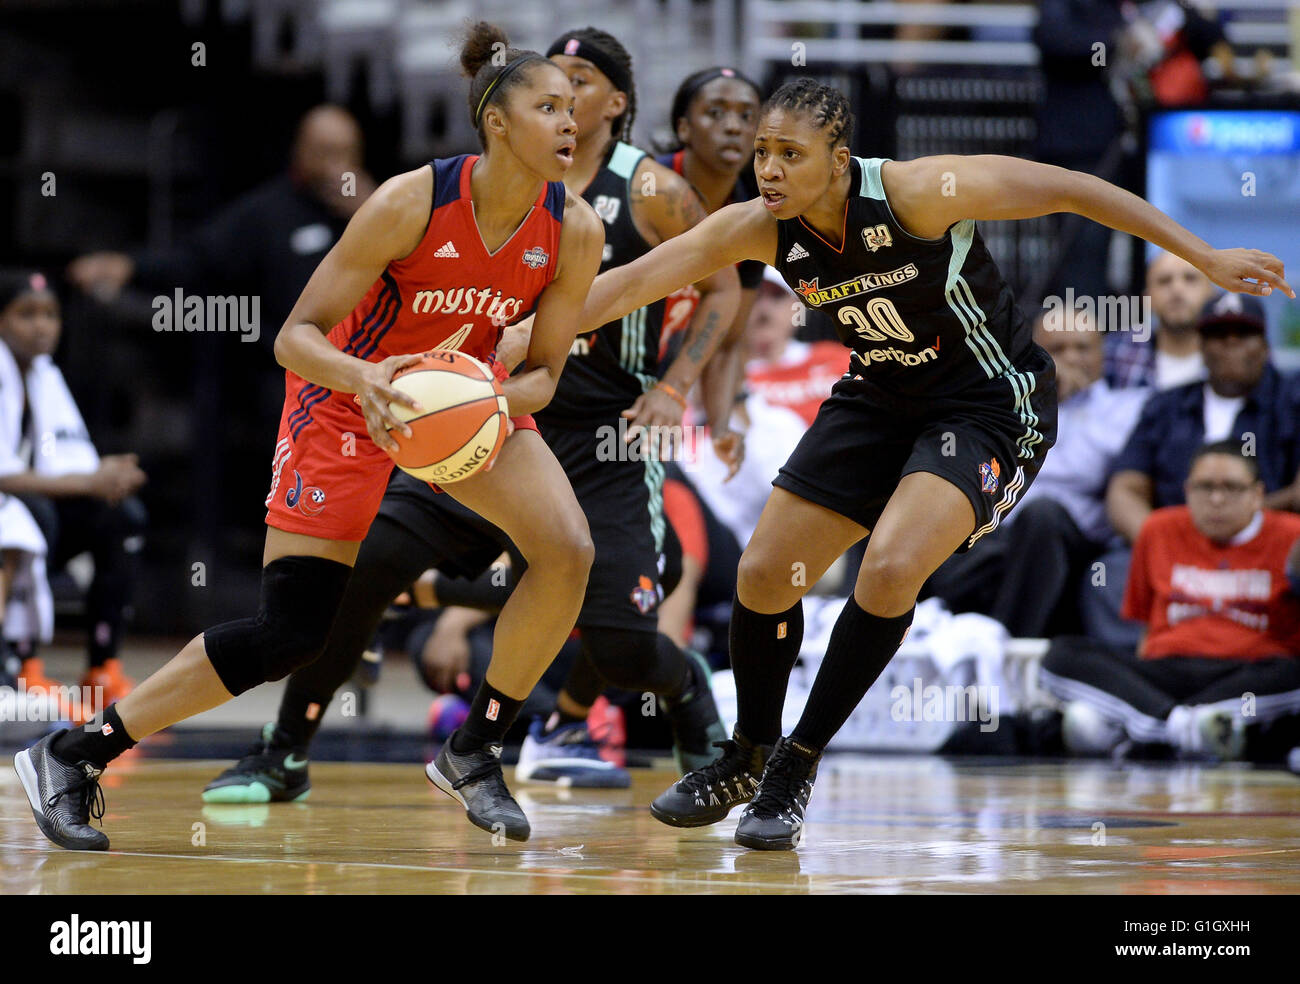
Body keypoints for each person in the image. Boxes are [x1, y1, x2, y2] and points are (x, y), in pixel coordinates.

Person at [570, 77, 1291, 850]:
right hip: (880, 396)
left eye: (790, 154)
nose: (768, 170)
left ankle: (795, 763)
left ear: (839, 161)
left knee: (889, 567)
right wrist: (519, 335)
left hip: (988, 405)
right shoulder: (759, 225)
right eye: (763, 153)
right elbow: (633, 280)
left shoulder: (918, 193)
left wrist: (1203, 254)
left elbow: (1073, 189)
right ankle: (746, 753)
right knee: (764, 572)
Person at [14, 21, 605, 851]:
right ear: (498, 123)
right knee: (289, 634)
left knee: (569, 550)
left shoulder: (575, 229)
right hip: (345, 402)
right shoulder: (410, 201)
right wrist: (369, 380)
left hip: (460, 406)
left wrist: (487, 398)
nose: (571, 122)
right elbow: (296, 337)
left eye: (574, 108)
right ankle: (74, 754)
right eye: (549, 107)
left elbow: (544, 374)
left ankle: (475, 750)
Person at [199, 26, 742, 801]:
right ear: (504, 115)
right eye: (551, 92)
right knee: (361, 571)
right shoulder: (471, 190)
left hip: (597, 431)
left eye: (579, 86)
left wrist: (679, 385)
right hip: (478, 418)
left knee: (617, 636)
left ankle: (676, 693)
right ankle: (284, 748)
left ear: (615, 103)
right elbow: (312, 328)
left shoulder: (647, 192)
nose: (566, 103)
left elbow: (720, 280)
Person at [1041, 442, 1300, 761]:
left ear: (1257, 494)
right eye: (1205, 487)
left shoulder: (1292, 536)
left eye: (1231, 488)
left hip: (1245, 673)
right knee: (1062, 653)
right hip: (1164, 671)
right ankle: (1183, 726)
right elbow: (1146, 627)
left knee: (1293, 673)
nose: (1217, 500)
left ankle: (1138, 726)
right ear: (1187, 491)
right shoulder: (1158, 529)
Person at [923, 301, 1146, 636]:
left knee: (1041, 516)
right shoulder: (1009, 407)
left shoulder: (1127, 409)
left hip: (1073, 544)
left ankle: (1007, 645)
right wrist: (1040, 397)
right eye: (1057, 349)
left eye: (1082, 348)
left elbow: (1093, 472)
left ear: (1102, 353)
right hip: (998, 539)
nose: (1071, 358)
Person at [1095, 292, 1300, 648]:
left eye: (1243, 335)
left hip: (1266, 550)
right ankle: (1144, 667)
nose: (1231, 345)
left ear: (1265, 346)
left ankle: (1266, 660)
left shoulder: (1293, 400)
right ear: (1200, 347)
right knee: (1107, 575)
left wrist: (1237, 522)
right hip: (1173, 555)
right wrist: (1166, 541)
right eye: (1218, 336)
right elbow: (1125, 489)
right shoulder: (1164, 406)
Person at [0, 271, 147, 706]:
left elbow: (68, 460)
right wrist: (89, 480)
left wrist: (107, 474)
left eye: (50, 314)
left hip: (24, 508)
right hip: (14, 512)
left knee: (122, 515)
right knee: (34, 513)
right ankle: (21, 665)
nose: (42, 326)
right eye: (26, 314)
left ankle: (103, 668)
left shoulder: (45, 374)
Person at [656, 66, 767, 431]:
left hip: (667, 366)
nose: (733, 127)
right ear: (683, 128)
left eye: (747, 117)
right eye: (715, 113)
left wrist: (720, 430)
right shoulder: (646, 187)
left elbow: (727, 342)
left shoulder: (757, 216)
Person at [1105, 250, 1215, 391]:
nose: (1177, 289)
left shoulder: (1232, 354)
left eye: (1190, 278)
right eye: (1164, 281)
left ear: (1211, 294)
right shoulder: (1115, 352)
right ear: (1146, 299)